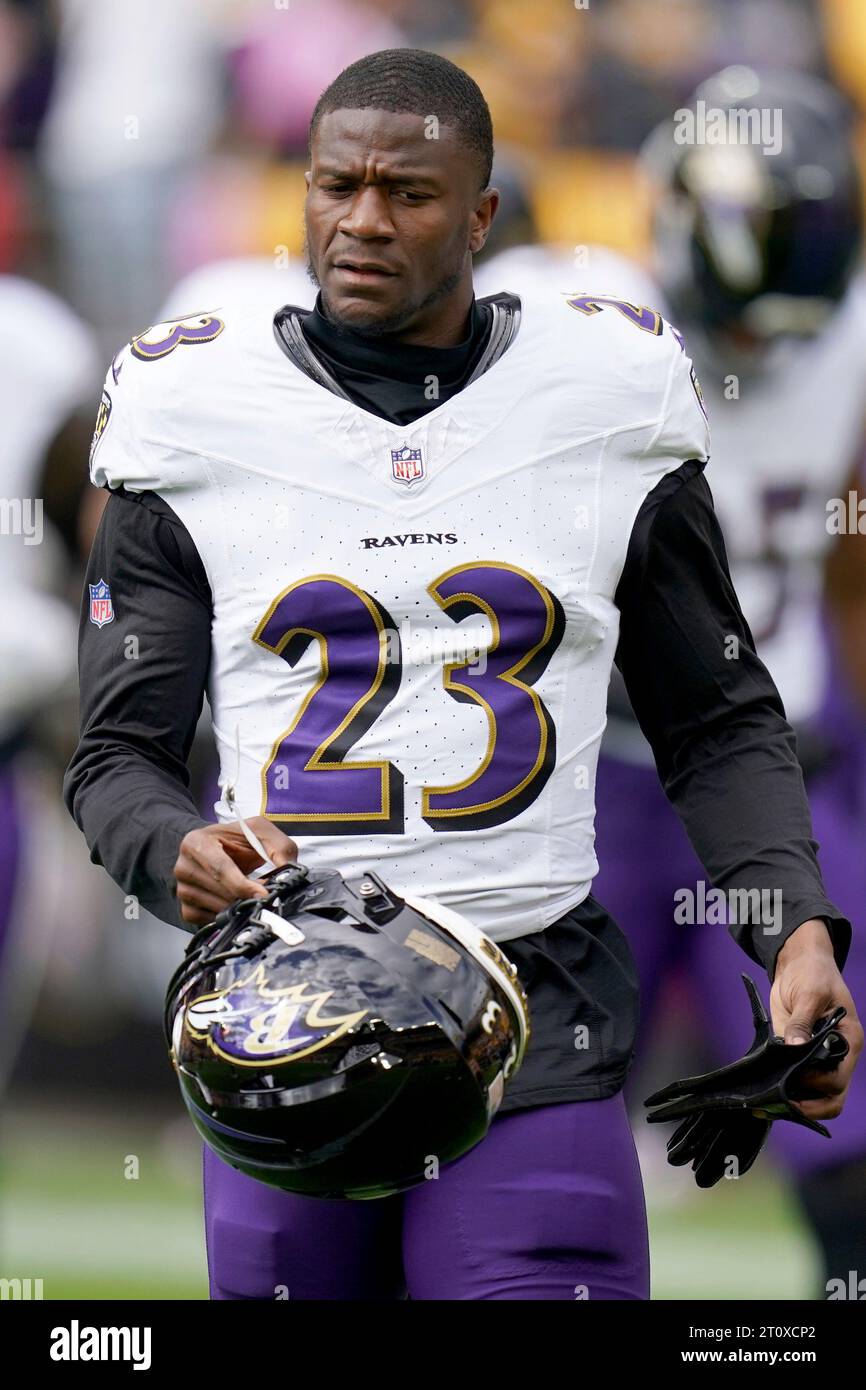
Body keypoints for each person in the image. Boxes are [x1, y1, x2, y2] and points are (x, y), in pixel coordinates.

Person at [64, 48, 861, 1301]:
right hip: (284, 1009)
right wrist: (168, 844)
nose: (363, 219)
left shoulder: (604, 393)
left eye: (408, 192)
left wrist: (790, 922)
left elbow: (713, 717)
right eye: (337, 185)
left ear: (481, 214)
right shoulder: (193, 404)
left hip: (531, 1004)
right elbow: (117, 757)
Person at [588, 67, 866, 1289]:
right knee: (526, 1112)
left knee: (844, 1115)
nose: (759, 345)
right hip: (594, 774)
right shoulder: (582, 330)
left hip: (786, 782)